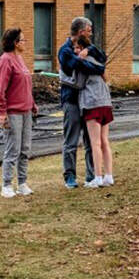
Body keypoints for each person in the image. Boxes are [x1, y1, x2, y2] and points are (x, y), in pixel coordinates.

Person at [58, 16, 105, 189]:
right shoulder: (64, 51)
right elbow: (79, 66)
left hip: (88, 99)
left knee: (90, 139)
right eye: (89, 30)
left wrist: (90, 54)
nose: (91, 33)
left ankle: (91, 175)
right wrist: (91, 64)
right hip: (71, 99)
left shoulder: (89, 47)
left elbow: (102, 62)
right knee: (71, 139)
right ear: (80, 31)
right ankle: (69, 176)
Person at [0, 27, 38, 198]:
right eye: (23, 40)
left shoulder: (20, 59)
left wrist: (32, 104)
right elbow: (0, 88)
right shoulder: (5, 61)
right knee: (13, 149)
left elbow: (25, 85)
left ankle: (22, 182)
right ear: (15, 42)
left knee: (25, 148)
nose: (25, 43)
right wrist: (2, 111)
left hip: (26, 110)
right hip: (12, 112)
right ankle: (6, 185)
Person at [74, 35, 114, 188]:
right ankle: (109, 175)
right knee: (105, 141)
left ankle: (97, 177)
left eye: (78, 48)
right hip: (105, 103)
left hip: (92, 104)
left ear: (84, 48)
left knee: (94, 143)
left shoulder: (83, 63)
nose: (76, 51)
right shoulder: (99, 62)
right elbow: (105, 77)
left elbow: (78, 83)